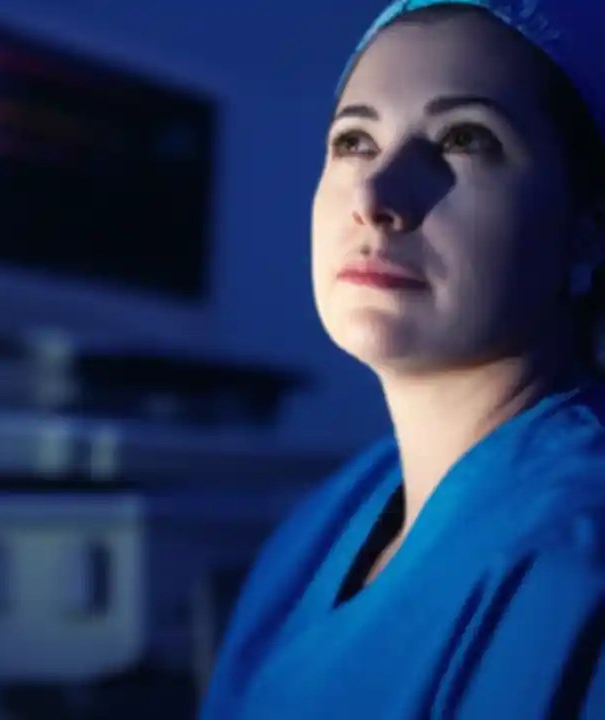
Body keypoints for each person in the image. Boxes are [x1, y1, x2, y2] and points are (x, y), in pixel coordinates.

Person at [199, 0, 605, 717]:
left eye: (464, 139)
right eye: (354, 141)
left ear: (585, 237)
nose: (377, 196)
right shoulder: (326, 522)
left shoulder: (578, 561)